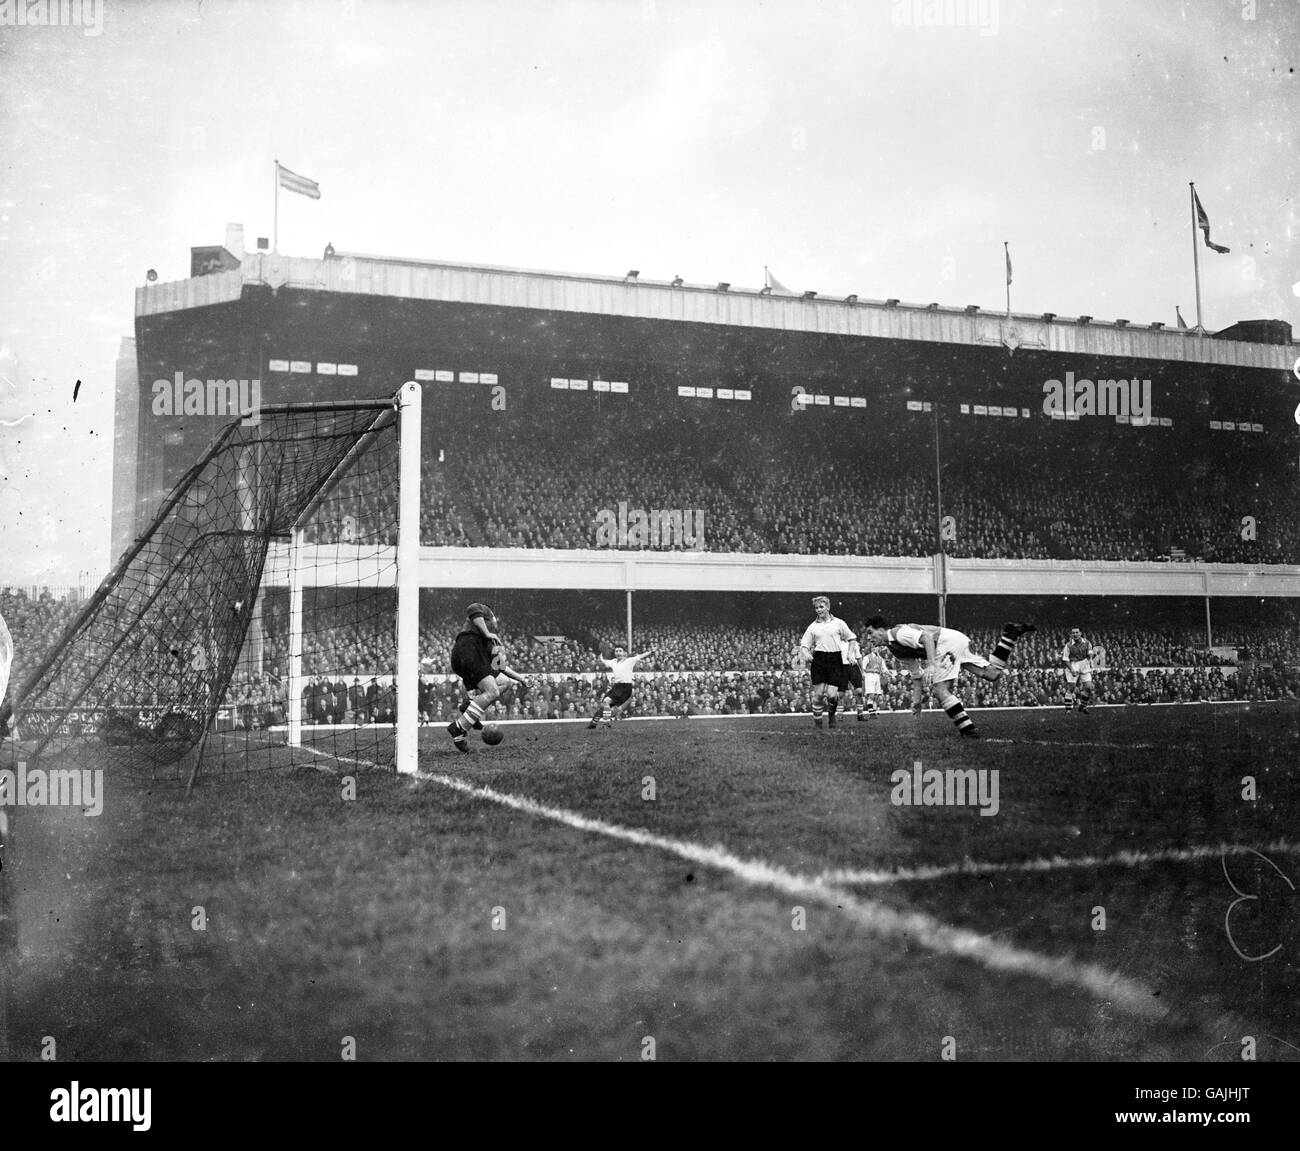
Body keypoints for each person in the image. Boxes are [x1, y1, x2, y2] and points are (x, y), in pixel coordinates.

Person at [862, 615, 1035, 739]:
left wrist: (931, 664)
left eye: (871, 633)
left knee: (940, 690)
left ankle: (968, 730)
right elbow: (917, 676)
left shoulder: (898, 633)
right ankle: (1009, 636)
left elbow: (927, 638)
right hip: (953, 640)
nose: (869, 638)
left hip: (945, 642)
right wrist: (916, 702)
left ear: (881, 629)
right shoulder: (895, 649)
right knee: (992, 674)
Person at [446, 602, 528, 752]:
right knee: (493, 692)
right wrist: (487, 633)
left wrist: (521, 678)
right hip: (467, 651)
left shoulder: (493, 640)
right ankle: (458, 727)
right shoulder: (483, 611)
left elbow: (500, 667)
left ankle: (468, 711)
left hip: (471, 659)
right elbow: (472, 609)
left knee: (505, 683)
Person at [798, 596, 856, 728]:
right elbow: (804, 645)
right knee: (818, 695)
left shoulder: (839, 623)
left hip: (835, 659)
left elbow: (852, 638)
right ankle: (818, 723)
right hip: (819, 659)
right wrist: (806, 653)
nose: (819, 610)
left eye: (821, 607)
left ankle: (831, 715)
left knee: (831, 695)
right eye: (817, 608)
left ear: (828, 607)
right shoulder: (813, 627)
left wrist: (850, 654)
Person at [588, 644, 652, 728]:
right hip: (617, 687)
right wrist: (600, 657)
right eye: (616, 651)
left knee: (606, 703)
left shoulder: (629, 661)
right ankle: (595, 723)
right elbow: (604, 661)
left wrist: (650, 652)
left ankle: (603, 723)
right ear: (615, 653)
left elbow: (640, 656)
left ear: (624, 652)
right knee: (605, 704)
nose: (618, 653)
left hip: (625, 688)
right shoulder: (613, 662)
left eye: (620, 651)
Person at [1061, 627, 1099, 713]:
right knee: (1071, 688)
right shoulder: (1068, 645)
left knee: (1088, 687)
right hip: (1073, 664)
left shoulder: (1087, 642)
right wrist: (1072, 670)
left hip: (1084, 664)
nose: (1075, 634)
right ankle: (1068, 709)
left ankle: (1083, 706)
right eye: (1073, 633)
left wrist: (1088, 662)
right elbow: (1065, 659)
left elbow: (1090, 654)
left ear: (1080, 633)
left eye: (1076, 632)